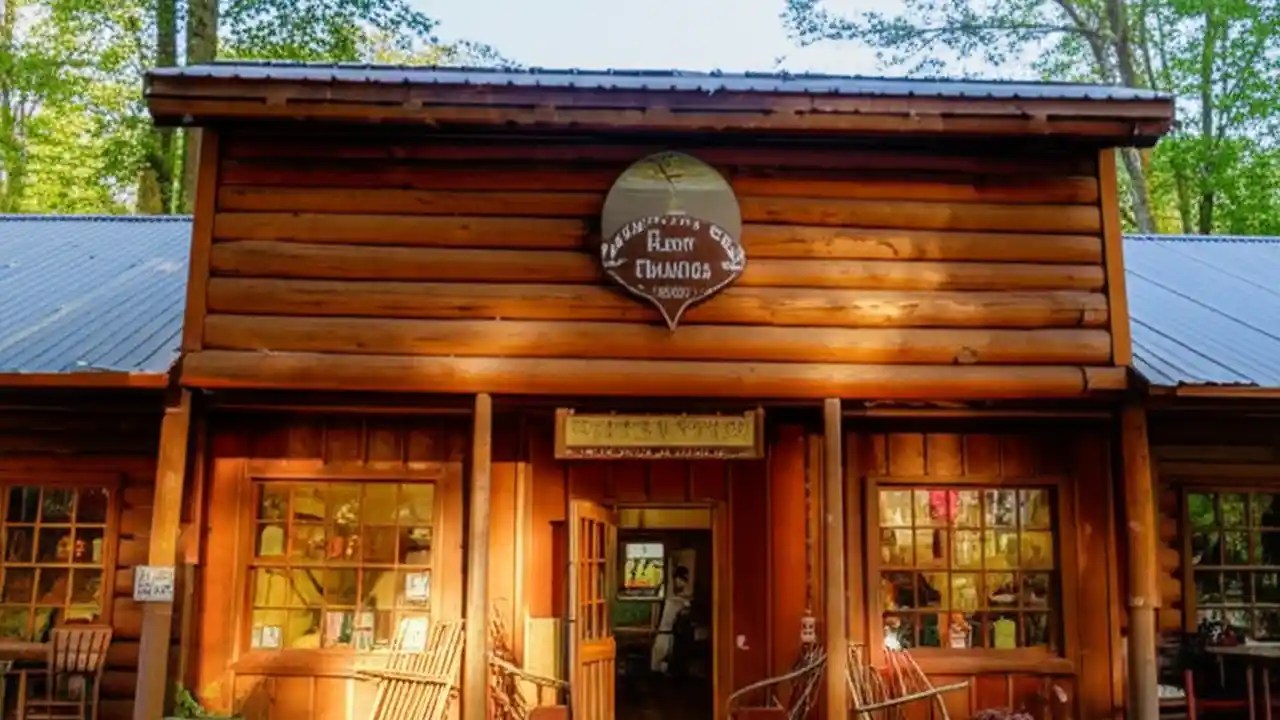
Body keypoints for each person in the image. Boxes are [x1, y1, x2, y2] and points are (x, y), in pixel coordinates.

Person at [649, 566, 692, 674]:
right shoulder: (670, 598)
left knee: (662, 666)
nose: (678, 581)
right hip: (663, 634)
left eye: (682, 579)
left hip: (669, 635)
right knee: (657, 667)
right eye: (677, 578)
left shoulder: (683, 601)